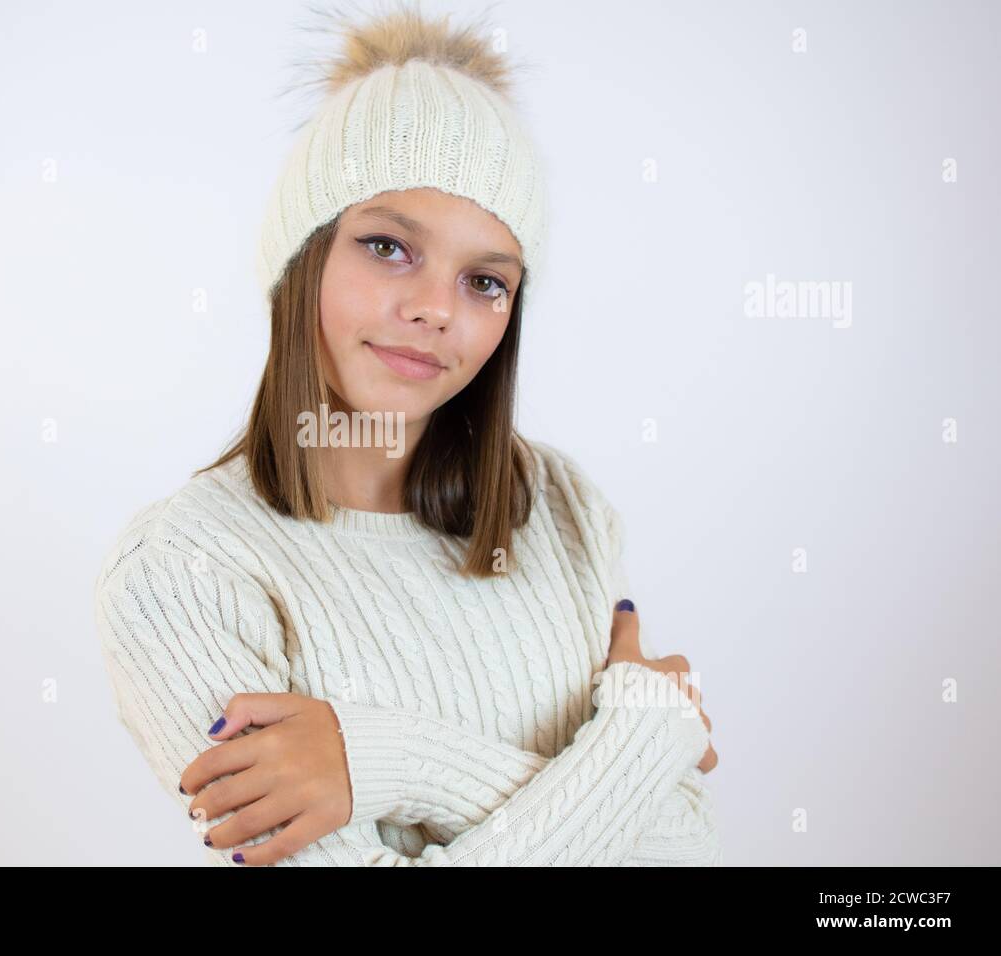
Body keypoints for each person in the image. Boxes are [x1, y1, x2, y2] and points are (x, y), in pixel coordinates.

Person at [94, 1, 720, 866]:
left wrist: (378, 761)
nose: (434, 308)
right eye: (388, 246)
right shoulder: (180, 571)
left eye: (485, 281)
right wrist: (646, 738)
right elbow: (644, 822)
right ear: (299, 259)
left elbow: (688, 847)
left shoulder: (563, 510)